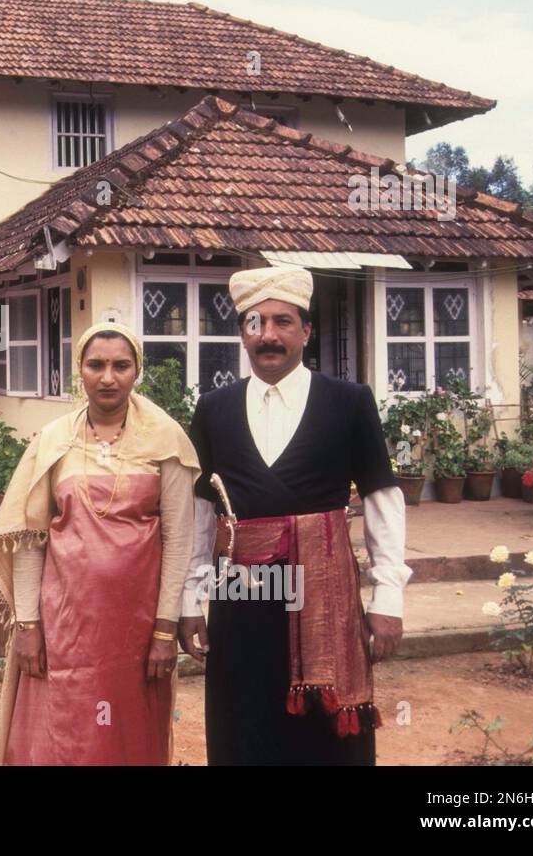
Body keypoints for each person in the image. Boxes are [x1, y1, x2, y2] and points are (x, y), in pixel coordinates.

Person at [177, 264, 411, 765]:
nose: (269, 335)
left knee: (325, 734)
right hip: (240, 593)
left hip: (325, 594)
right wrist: (190, 598)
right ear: (242, 334)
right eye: (255, 323)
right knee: (244, 719)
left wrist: (388, 594)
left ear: (306, 330)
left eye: (283, 321)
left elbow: (382, 499)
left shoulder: (349, 402)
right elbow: (199, 510)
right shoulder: (214, 409)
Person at [0, 321, 201, 765]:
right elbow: (30, 539)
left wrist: (164, 630)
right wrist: (27, 626)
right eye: (96, 365)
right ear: (79, 370)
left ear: (137, 371)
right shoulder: (53, 440)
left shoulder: (167, 438)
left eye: (121, 365)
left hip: (136, 633)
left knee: (126, 738)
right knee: (59, 738)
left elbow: (180, 541)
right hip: (62, 625)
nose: (108, 377)